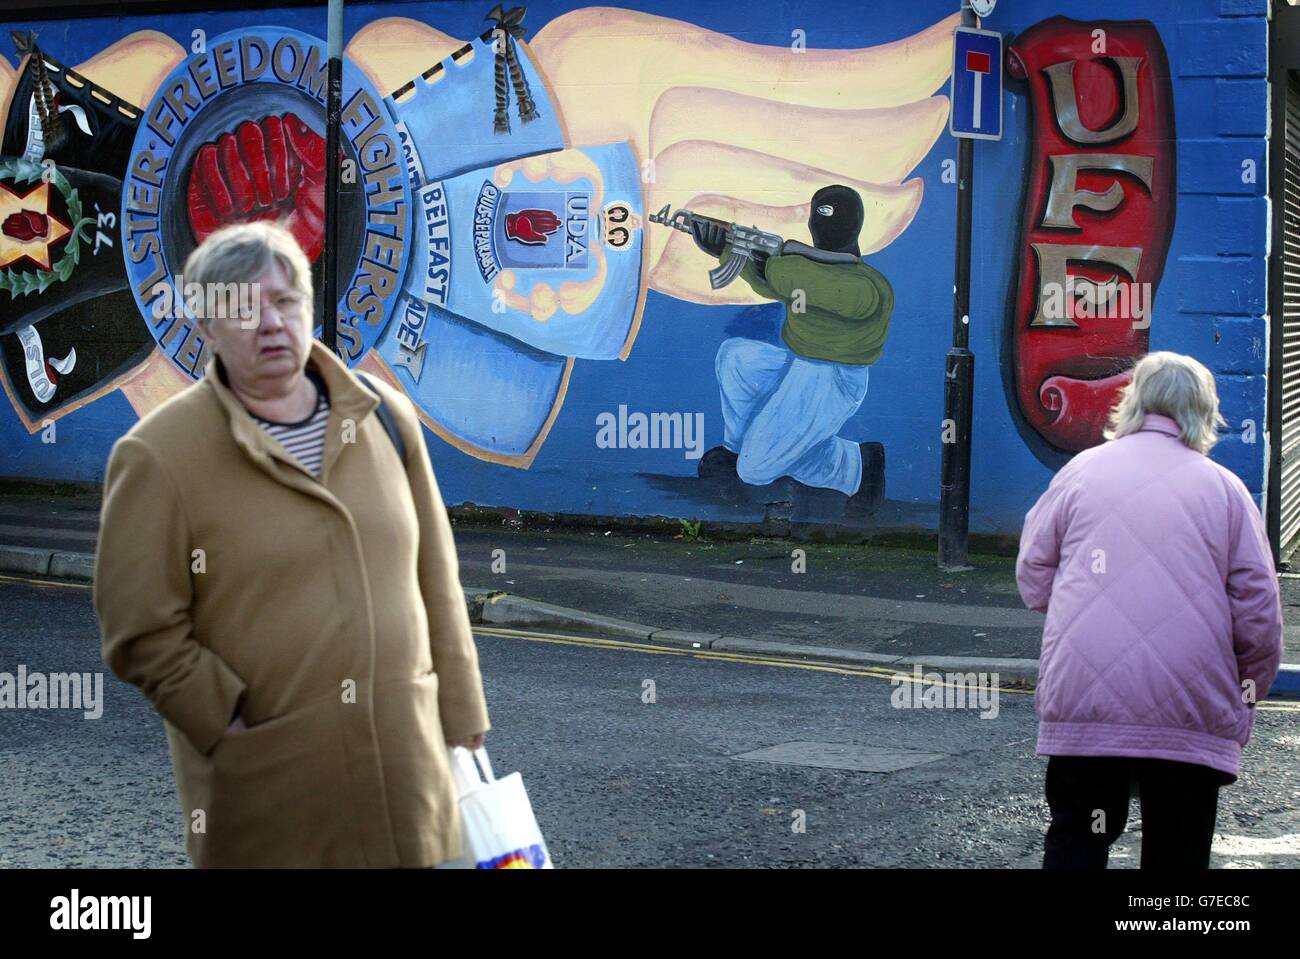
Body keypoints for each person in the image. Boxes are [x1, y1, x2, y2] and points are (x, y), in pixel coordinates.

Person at [93, 221, 490, 868]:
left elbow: (434, 574)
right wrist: (226, 725)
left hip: (405, 764)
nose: (271, 323)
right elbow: (140, 628)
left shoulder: (386, 416)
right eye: (244, 308)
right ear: (205, 327)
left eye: (285, 300)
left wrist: (461, 707)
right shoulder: (157, 456)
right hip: (272, 788)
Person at [1017, 351, 1282, 869]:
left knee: (1080, 835)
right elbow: (1259, 611)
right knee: (1177, 850)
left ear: (1131, 402)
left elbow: (1033, 577)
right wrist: (1248, 688)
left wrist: (1082, 609)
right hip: (1189, 701)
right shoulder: (1224, 490)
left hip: (1086, 691)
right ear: (1204, 413)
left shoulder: (1079, 472)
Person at [692, 185, 892, 514]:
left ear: (854, 226)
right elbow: (770, 283)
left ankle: (856, 465)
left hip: (833, 379)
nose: (822, 227)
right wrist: (727, 252)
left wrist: (778, 260)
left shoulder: (867, 285)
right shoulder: (802, 270)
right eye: (820, 218)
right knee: (736, 357)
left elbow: (810, 285)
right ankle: (740, 447)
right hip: (799, 364)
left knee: (754, 472)